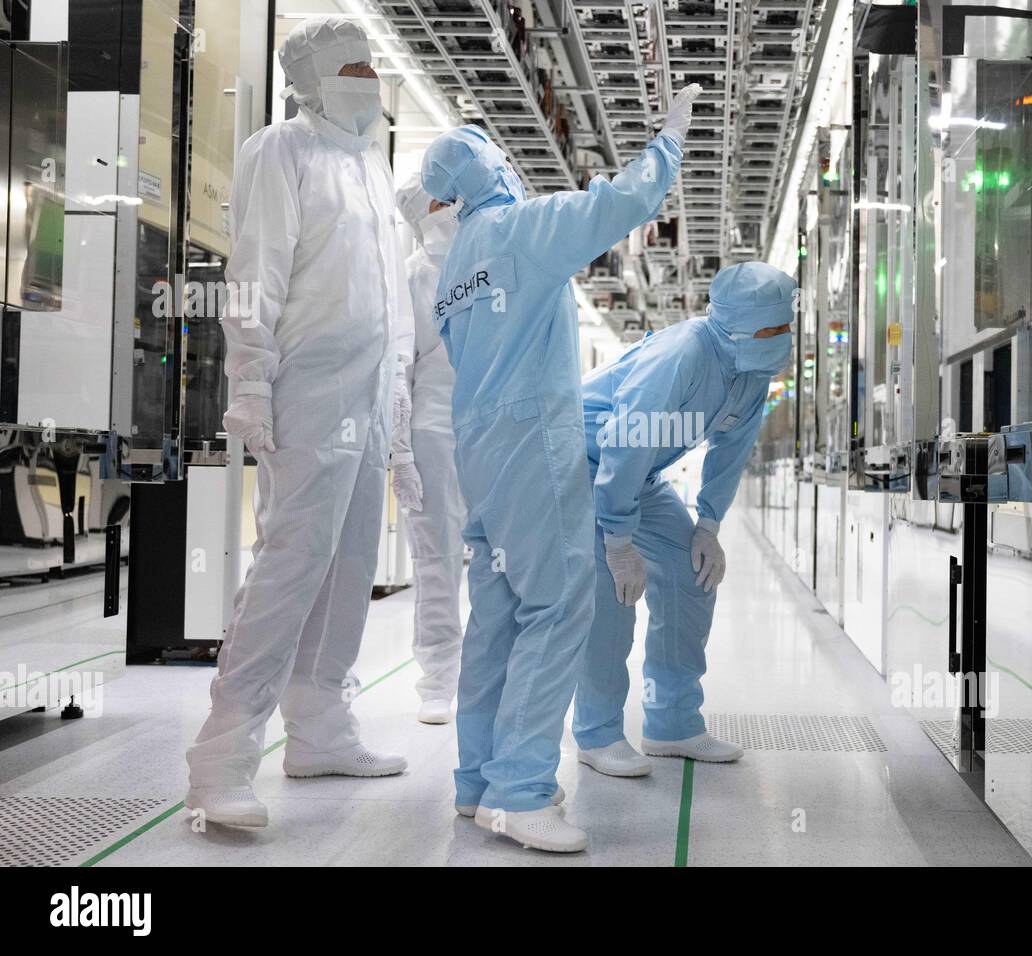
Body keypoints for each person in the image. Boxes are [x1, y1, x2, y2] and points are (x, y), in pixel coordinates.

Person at [419, 83, 701, 852]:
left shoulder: (452, 278)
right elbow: (616, 205)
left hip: (476, 451)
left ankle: (477, 784)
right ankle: (522, 790)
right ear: (490, 173)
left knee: (499, 617)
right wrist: (667, 140)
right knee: (558, 608)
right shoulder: (513, 231)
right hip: (529, 445)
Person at [185, 16, 408, 828]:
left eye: (371, 66)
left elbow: (389, 302)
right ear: (313, 76)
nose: (367, 77)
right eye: (352, 65)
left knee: (349, 567)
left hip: (371, 400)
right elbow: (256, 274)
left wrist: (402, 409)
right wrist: (251, 381)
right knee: (289, 569)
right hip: (311, 393)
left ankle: (319, 730)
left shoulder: (371, 168)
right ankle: (221, 758)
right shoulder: (281, 151)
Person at [572, 262, 796, 777]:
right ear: (736, 323)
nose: (783, 339)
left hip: (638, 472)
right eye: (772, 328)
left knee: (689, 572)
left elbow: (731, 449)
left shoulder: (751, 370)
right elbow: (624, 445)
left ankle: (672, 724)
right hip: (584, 463)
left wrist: (709, 526)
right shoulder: (684, 354)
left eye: (787, 326)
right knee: (614, 590)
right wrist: (619, 543)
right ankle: (596, 732)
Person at [392, 173, 466, 726]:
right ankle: (438, 679)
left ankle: (490, 673)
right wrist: (401, 452)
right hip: (434, 431)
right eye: (440, 202)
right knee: (437, 560)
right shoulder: (414, 277)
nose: (452, 209)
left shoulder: (488, 266)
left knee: (498, 561)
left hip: (489, 429)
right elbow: (400, 370)